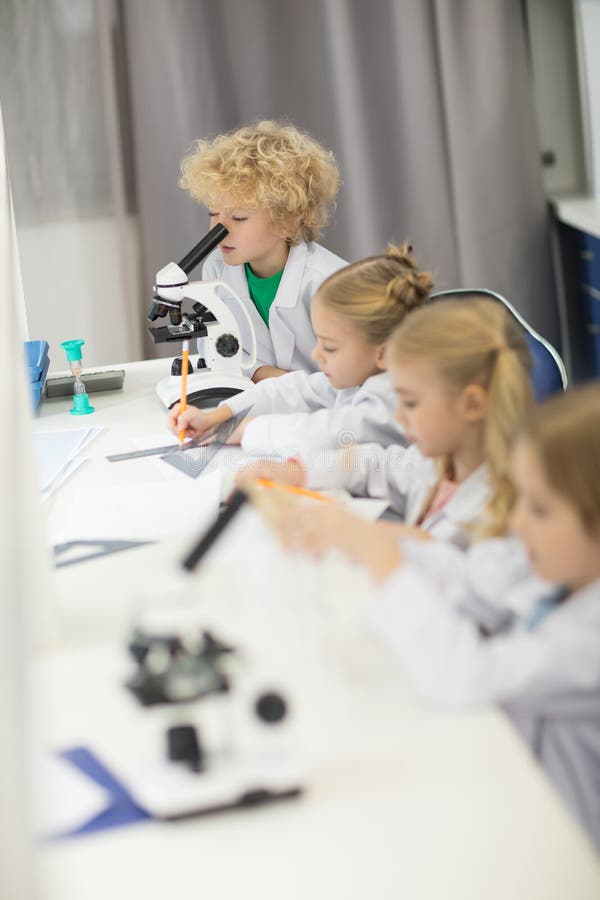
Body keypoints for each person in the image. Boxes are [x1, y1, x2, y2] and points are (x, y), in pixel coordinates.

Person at [355, 384, 600, 850]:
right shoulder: (563, 566)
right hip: (516, 794)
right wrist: (362, 540)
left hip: (569, 847)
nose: (519, 522)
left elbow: (469, 676)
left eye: (540, 508)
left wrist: (384, 562)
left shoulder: (589, 642)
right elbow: (472, 577)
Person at [238, 297, 534, 550]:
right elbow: (370, 464)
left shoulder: (501, 515)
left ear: (471, 404)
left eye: (411, 403)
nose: (399, 417)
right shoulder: (439, 462)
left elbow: (452, 582)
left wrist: (368, 537)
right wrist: (298, 471)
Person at [169, 244, 433, 455]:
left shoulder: (394, 402)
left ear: (383, 353)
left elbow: (327, 434)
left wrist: (246, 430)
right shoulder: (362, 380)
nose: (317, 356)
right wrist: (220, 415)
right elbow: (297, 390)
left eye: (329, 347)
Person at [179, 120, 346, 383]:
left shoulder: (329, 283)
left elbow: (354, 372)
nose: (219, 230)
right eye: (213, 213)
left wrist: (286, 386)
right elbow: (216, 344)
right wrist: (261, 373)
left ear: (287, 221)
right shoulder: (216, 267)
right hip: (263, 400)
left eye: (239, 217)